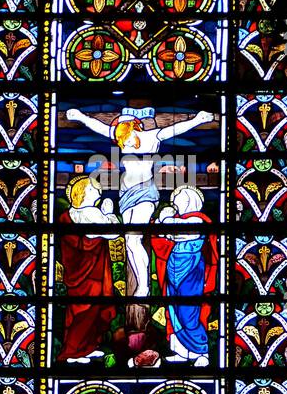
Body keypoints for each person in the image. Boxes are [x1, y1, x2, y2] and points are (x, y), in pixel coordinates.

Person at [64, 107, 215, 302]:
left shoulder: (152, 137)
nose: (124, 144)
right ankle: (140, 283)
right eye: (121, 141)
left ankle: (143, 287)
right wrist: (80, 116)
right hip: (125, 194)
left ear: (133, 127)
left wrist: (198, 119)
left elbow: (175, 129)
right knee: (129, 241)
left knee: (134, 240)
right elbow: (99, 127)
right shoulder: (120, 134)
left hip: (145, 193)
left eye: (125, 138)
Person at [150, 185, 218, 366]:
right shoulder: (177, 220)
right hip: (173, 271)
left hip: (191, 272)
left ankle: (201, 351)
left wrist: (165, 220)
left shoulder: (198, 220)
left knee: (189, 313)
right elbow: (165, 234)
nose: (174, 202)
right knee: (173, 311)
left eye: (177, 198)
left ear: (189, 200)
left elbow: (178, 232)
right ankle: (181, 350)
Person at [55, 176, 117, 363]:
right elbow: (78, 243)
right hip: (80, 274)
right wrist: (99, 233)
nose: (97, 193)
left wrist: (107, 219)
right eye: (92, 189)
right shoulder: (67, 217)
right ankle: (73, 351)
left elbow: (112, 233)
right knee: (82, 311)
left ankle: (88, 347)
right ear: (79, 193)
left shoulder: (95, 213)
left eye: (97, 190)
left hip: (97, 272)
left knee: (95, 310)